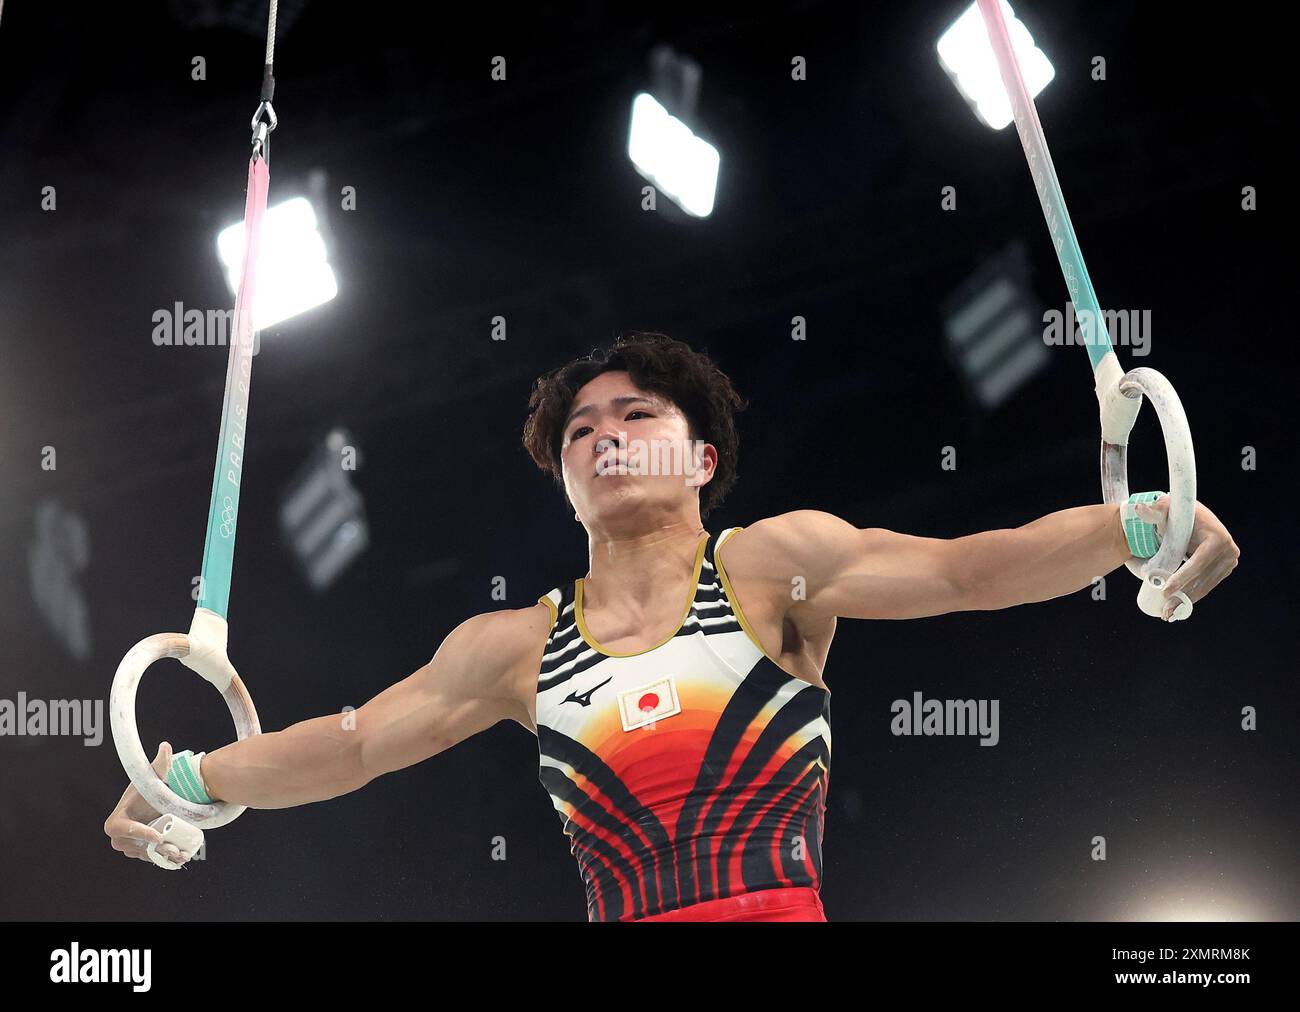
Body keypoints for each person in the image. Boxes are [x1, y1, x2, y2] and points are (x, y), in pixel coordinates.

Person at [104, 332, 1240, 921]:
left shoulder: (769, 569)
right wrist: (192, 778)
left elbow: (961, 572)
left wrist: (1137, 521)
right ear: (563, 479)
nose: (602, 436)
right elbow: (350, 745)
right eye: (580, 432)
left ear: (700, 458)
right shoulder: (509, 649)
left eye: (634, 415)